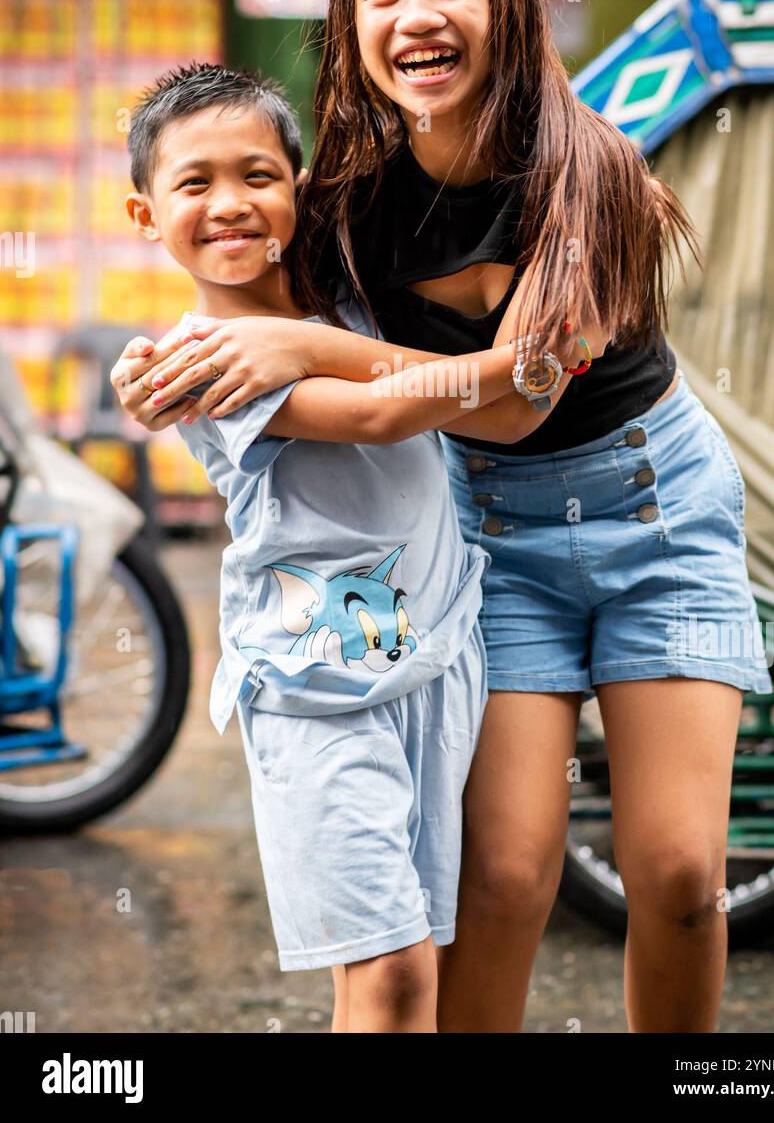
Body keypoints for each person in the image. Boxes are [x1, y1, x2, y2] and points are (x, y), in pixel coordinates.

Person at [112, 0, 772, 1034]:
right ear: (350, 19)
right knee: (502, 876)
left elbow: (518, 401)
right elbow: (235, 271)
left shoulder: (589, 173)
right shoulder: (344, 202)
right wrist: (154, 364)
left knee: (675, 874)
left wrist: (302, 344)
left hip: (653, 506)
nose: (415, 16)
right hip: (490, 537)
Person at [117, 60, 617, 1033]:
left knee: (417, 963)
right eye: (194, 183)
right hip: (315, 692)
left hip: (435, 668)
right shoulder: (197, 360)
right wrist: (522, 365)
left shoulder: (347, 288)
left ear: (300, 188)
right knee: (385, 975)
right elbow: (381, 410)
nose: (231, 203)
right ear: (146, 215)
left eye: (258, 175)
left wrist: (530, 346)